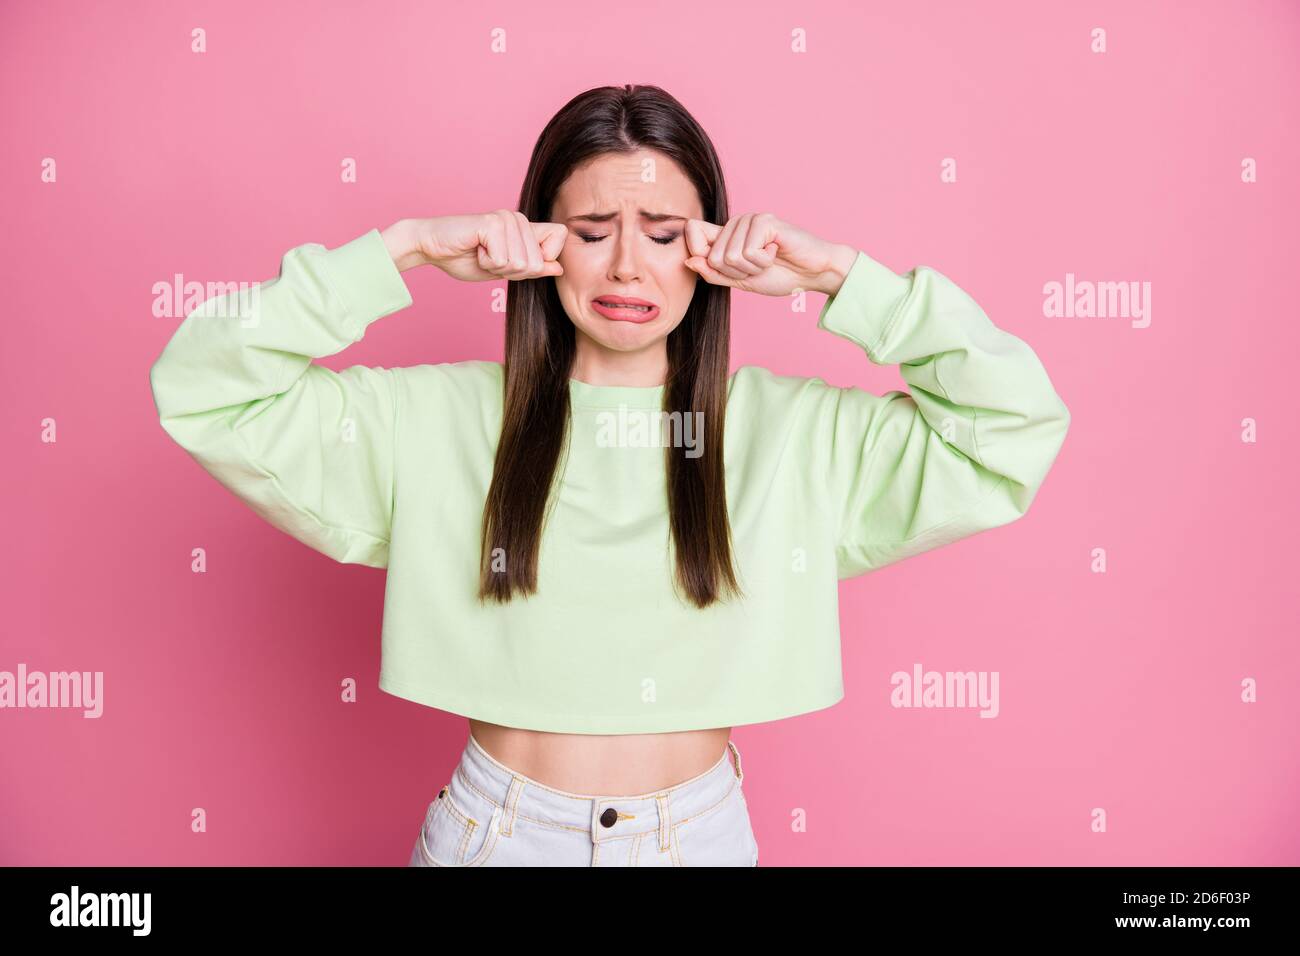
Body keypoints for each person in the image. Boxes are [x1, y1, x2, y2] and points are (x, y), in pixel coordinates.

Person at [148, 84, 1070, 867]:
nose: (629, 263)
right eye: (593, 230)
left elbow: (1010, 428)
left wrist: (835, 277)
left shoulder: (792, 432)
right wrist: (409, 248)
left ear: (706, 248)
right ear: (544, 245)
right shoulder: (435, 419)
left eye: (665, 233)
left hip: (698, 837)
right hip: (499, 835)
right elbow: (203, 386)